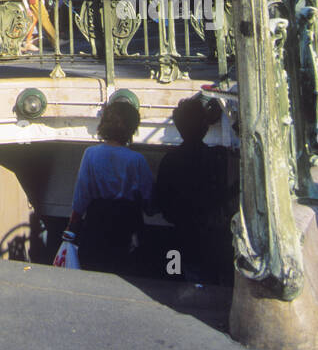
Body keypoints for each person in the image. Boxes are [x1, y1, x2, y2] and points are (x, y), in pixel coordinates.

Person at [65, 98, 153, 273]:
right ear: (132, 128)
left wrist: (71, 227)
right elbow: (148, 200)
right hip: (126, 225)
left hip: (96, 222)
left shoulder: (90, 154)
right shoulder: (137, 160)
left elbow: (81, 196)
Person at [154, 95, 235, 284]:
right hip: (210, 236)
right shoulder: (218, 158)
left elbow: (162, 200)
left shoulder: (169, 160)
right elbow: (223, 197)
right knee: (210, 283)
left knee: (174, 279)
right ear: (205, 125)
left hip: (179, 234)